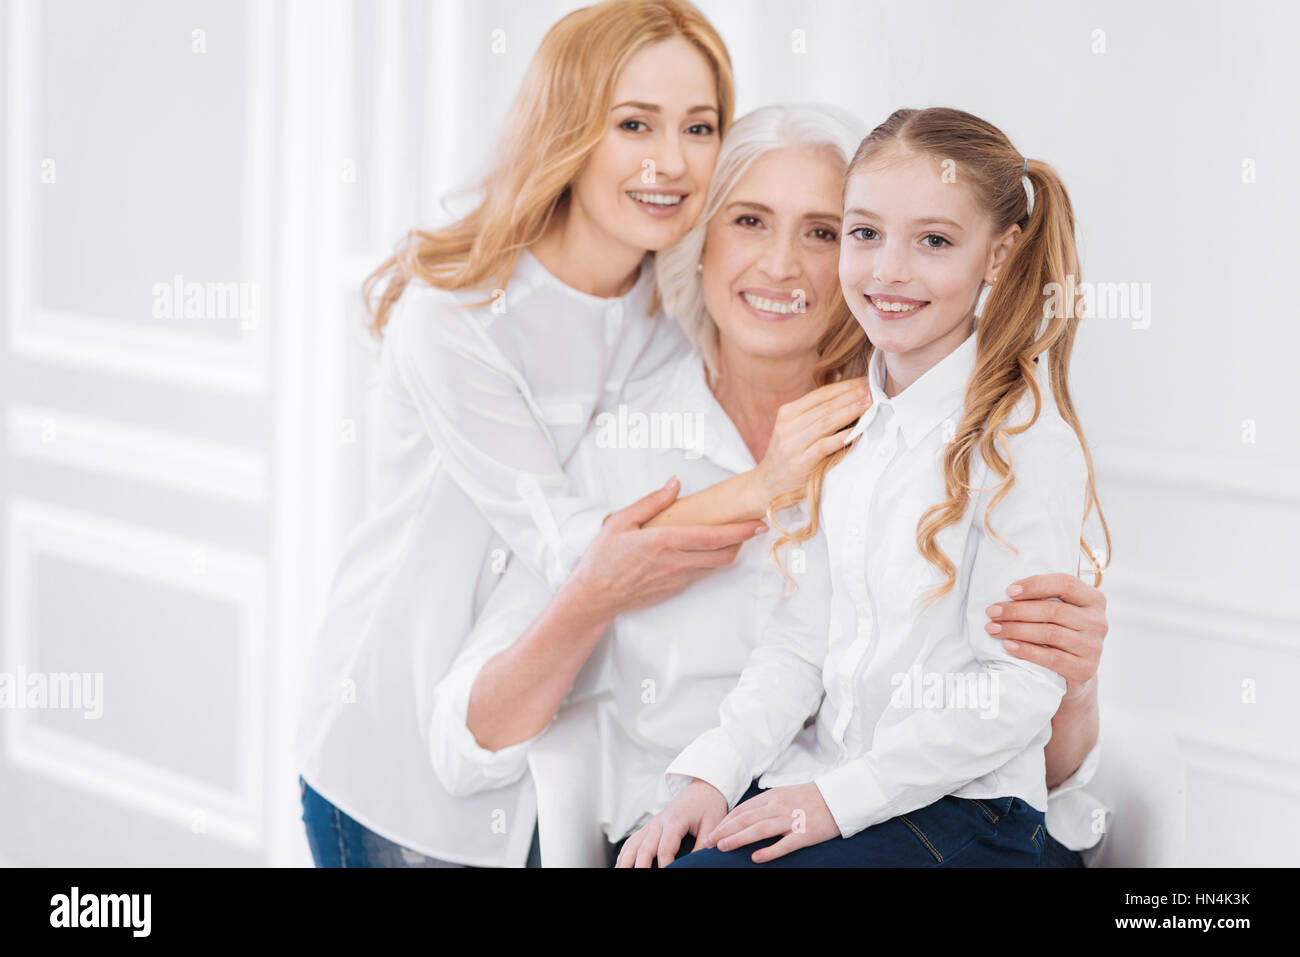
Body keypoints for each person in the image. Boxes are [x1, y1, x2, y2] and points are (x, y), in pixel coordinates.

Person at [428, 105, 1110, 869]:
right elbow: (466, 742)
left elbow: (1025, 714)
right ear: (701, 240)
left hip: (931, 811)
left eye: (820, 231)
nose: (785, 265)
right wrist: (706, 773)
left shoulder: (1007, 438)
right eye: (751, 220)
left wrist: (1075, 685)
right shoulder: (634, 447)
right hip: (790, 794)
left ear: (997, 254)